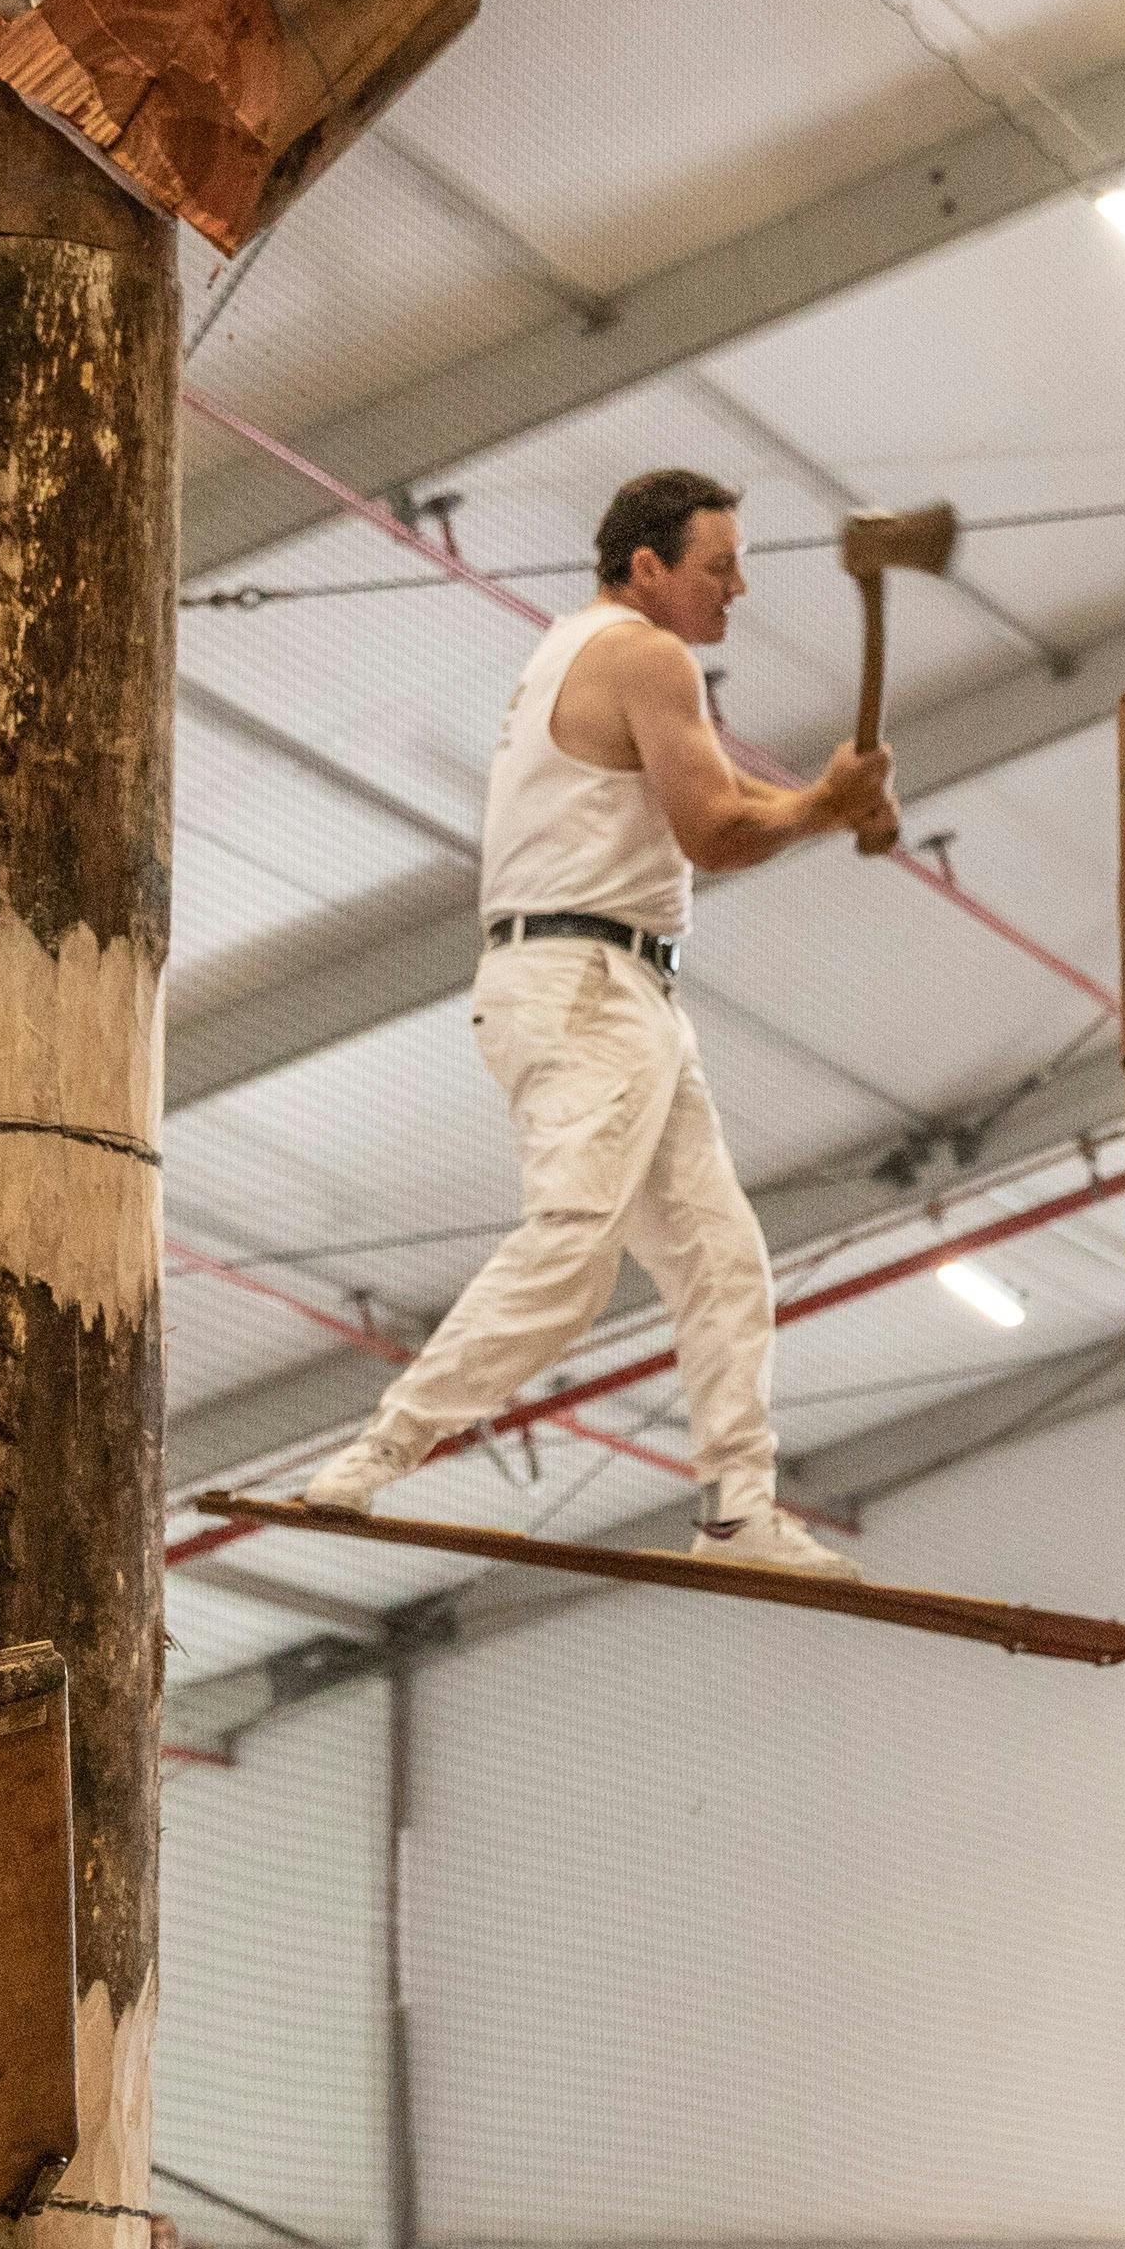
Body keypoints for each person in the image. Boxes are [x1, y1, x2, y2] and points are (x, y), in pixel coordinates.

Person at [285, 469, 897, 1577]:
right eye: (719, 566)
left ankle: (737, 1509)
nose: (738, 587)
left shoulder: (583, 650)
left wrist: (819, 799)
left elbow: (719, 803)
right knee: (574, 1251)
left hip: (606, 985)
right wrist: (825, 804)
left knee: (722, 1258)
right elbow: (715, 830)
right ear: (648, 567)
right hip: (587, 985)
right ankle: (374, 1454)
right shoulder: (646, 655)